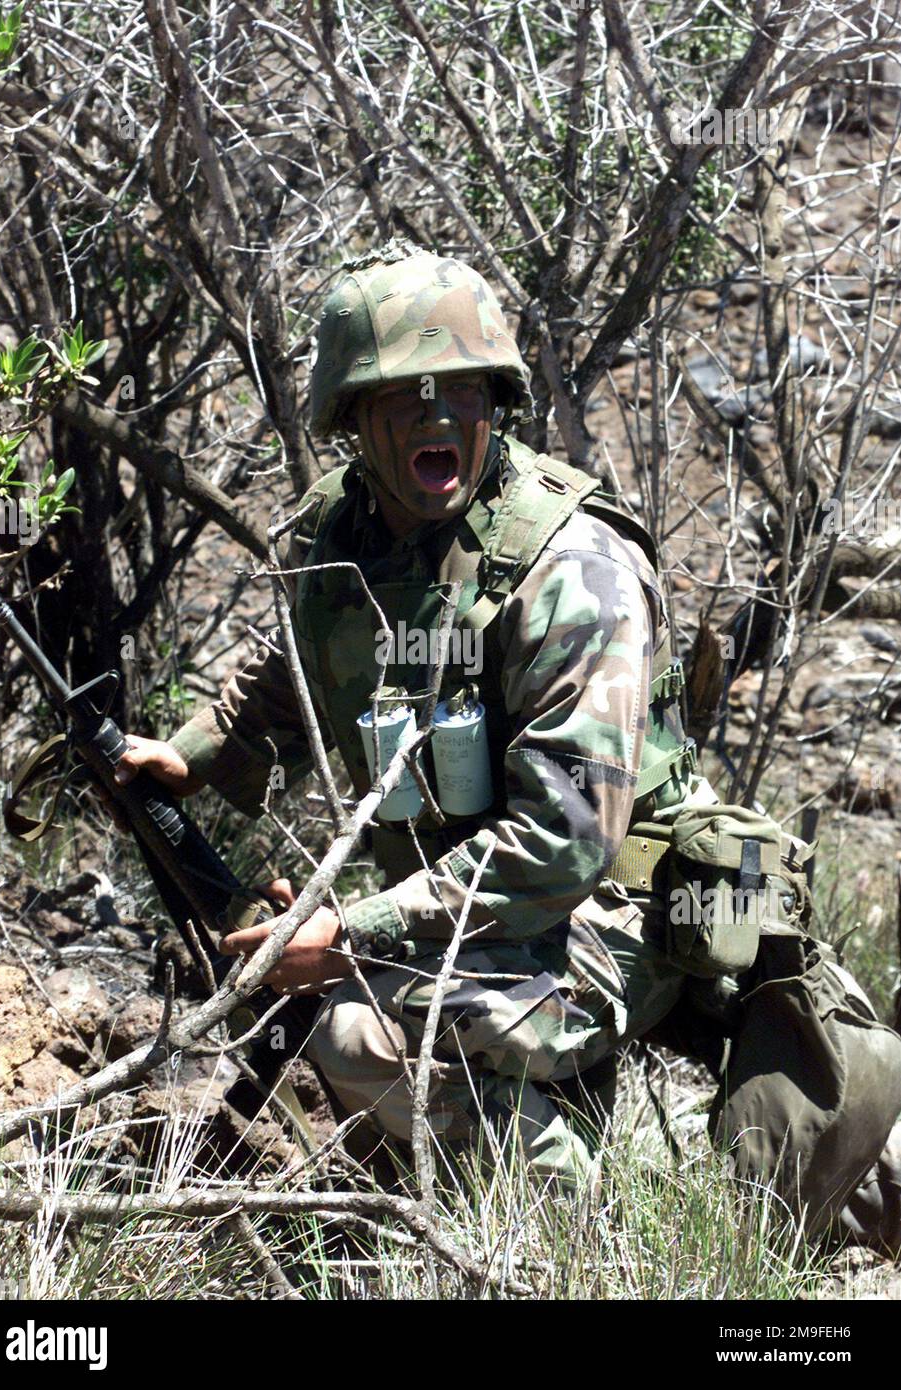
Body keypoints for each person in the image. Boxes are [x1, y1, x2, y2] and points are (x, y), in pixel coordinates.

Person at [115, 241, 901, 1253]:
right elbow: (295, 668)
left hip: (637, 898)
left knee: (368, 1027)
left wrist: (353, 928)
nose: (439, 416)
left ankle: (568, 1257)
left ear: (502, 398)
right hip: (490, 900)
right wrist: (194, 750)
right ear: (352, 419)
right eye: (405, 395)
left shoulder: (571, 567)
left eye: (466, 390)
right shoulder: (341, 537)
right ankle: (482, 1198)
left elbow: (565, 840)